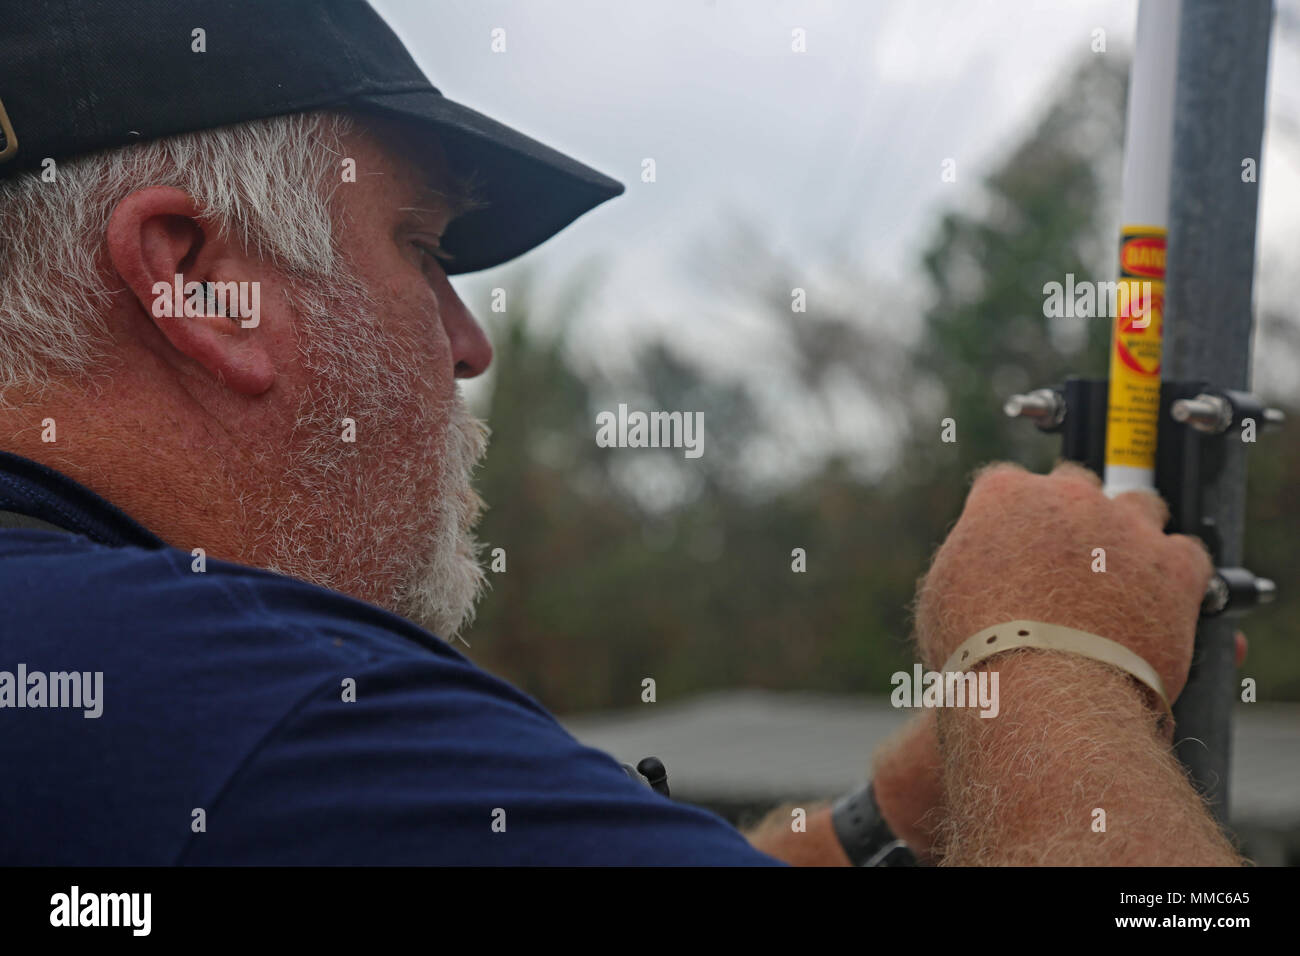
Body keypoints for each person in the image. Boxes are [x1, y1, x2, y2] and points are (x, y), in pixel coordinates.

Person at [0, 1, 1242, 866]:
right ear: (196, 278)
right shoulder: (264, 716)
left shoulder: (143, 714)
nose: (467, 342)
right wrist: (1048, 658)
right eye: (422, 246)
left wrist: (896, 813)